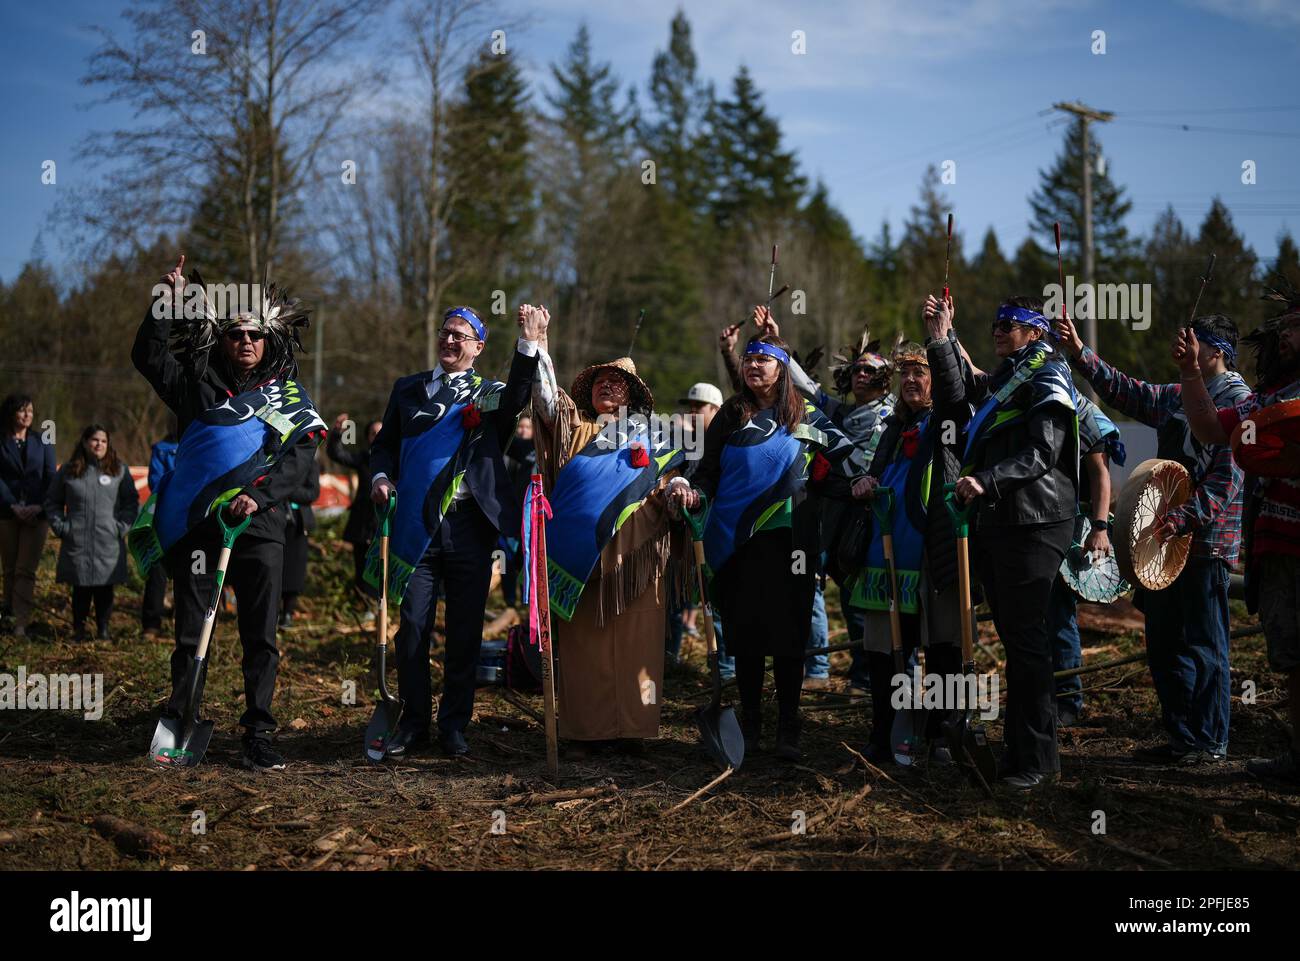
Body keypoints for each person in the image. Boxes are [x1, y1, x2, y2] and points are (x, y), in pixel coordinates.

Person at [131, 255, 325, 772]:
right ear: (222, 337)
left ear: (270, 341)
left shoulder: (287, 397)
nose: (246, 341)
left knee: (261, 635)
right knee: (192, 631)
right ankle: (181, 716)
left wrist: (259, 497)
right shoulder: (195, 386)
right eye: (237, 332)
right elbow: (148, 356)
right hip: (200, 530)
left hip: (260, 531)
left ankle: (258, 732)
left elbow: (302, 459)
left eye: (256, 334)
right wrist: (166, 303)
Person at [1058, 311, 1247, 764]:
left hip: (1205, 544)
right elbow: (1126, 390)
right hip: (1162, 545)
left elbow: (1227, 478)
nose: (1182, 346)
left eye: (1194, 342)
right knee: (1163, 643)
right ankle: (1183, 736)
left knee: (1205, 645)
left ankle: (1209, 741)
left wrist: (1188, 515)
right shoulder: (1177, 396)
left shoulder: (1241, 404)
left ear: (1216, 353)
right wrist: (1080, 354)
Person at [674, 311, 858, 760]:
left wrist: (856, 485)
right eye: (749, 359)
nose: (754, 365)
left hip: (791, 540)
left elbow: (837, 467)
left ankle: (789, 728)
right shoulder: (733, 414)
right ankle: (752, 724)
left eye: (764, 358)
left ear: (782, 367)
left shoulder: (805, 413)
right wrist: (693, 494)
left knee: (789, 637)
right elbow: (709, 472)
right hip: (737, 542)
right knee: (747, 636)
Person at [369, 304, 539, 758]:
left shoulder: (488, 394)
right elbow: (384, 447)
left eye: (461, 336)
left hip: (470, 527)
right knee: (412, 629)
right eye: (446, 333)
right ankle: (413, 722)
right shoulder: (407, 389)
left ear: (478, 348)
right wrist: (381, 478)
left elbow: (521, 393)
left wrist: (528, 343)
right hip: (415, 524)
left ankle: (454, 726)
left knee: (464, 631)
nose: (450, 341)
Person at [936, 295, 1079, 791]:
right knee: (1018, 645)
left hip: (1037, 521)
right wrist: (946, 333)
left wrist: (987, 480)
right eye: (995, 323)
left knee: (1028, 645)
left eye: (1010, 324)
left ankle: (1039, 761)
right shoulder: (1009, 376)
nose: (998, 330)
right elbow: (973, 382)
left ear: (1036, 332)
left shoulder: (1047, 373)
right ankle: (1019, 754)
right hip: (1003, 522)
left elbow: (1044, 451)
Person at [528, 305, 686, 753]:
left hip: (637, 555)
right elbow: (544, 399)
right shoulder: (573, 431)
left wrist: (676, 490)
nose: (607, 386)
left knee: (637, 642)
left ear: (633, 395)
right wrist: (538, 343)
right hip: (580, 557)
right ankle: (585, 731)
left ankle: (632, 730)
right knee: (584, 648)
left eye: (617, 383)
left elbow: (674, 477)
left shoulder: (657, 436)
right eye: (599, 381)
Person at [1176, 289, 1300, 783]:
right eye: (1284, 326)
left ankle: (1216, 740)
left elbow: (1224, 476)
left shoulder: (1262, 394)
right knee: (1292, 660)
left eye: (1295, 326)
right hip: (1276, 546)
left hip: (1231, 544)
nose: (1284, 335)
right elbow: (1208, 428)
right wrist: (1187, 370)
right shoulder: (1267, 399)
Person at [848, 340, 966, 764]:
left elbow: (958, 393)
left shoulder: (950, 421)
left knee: (942, 652)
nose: (911, 381)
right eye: (906, 375)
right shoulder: (893, 429)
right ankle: (885, 731)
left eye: (921, 373)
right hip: (887, 560)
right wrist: (863, 483)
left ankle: (940, 733)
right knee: (884, 652)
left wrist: (943, 337)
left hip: (934, 559)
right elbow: (872, 474)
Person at [1047, 393, 1125, 726]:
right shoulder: (1031, 398)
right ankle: (1043, 698)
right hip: (1041, 522)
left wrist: (1100, 527)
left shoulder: (1081, 410)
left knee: (1058, 614)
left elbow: (1100, 475)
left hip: (1074, 525)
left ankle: (1068, 700)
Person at [43, 425, 138, 642]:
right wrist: (61, 527)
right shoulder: (68, 471)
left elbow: (131, 502)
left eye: (104, 441)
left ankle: (103, 631)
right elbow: (52, 501)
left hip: (108, 541)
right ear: (85, 442)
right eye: (95, 440)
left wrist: (121, 527)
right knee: (81, 588)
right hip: (77, 541)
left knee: (105, 588)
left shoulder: (119, 470)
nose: (99, 445)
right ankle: (79, 630)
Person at [666, 382, 734, 678]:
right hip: (683, 529)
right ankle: (669, 658)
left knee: (715, 598)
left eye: (700, 407)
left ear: (717, 410)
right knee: (674, 597)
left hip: (715, 529)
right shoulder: (681, 443)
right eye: (690, 406)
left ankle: (725, 669)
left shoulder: (727, 443)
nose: (692, 412)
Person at [0, 393, 57, 638]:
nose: (27, 416)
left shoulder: (41, 441)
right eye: (23, 411)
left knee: (26, 569)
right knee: (9, 569)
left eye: (31, 412)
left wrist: (39, 507)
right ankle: (8, 615)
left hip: (37, 515)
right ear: (12, 413)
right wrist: (12, 504)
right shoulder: (1, 441)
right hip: (6, 512)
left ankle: (21, 623)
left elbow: (50, 478)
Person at [326, 413, 382, 600]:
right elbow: (337, 454)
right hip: (363, 522)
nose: (378, 436)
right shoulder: (364, 458)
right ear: (368, 437)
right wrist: (337, 434)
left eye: (381, 432)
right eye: (374, 433)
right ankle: (364, 601)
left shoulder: (397, 460)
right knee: (362, 564)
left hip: (385, 522)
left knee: (382, 565)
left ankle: (381, 602)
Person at [141, 424, 178, 638]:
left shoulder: (200, 441)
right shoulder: (162, 449)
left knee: (188, 570)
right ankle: (151, 623)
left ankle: (176, 621)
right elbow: (155, 481)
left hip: (185, 517)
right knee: (158, 571)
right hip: (167, 515)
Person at [279, 458, 320, 628]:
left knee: (294, 571)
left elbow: (312, 493)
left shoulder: (310, 463)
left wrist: (286, 490)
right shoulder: (278, 458)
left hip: (298, 525)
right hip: (277, 521)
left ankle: (287, 612)